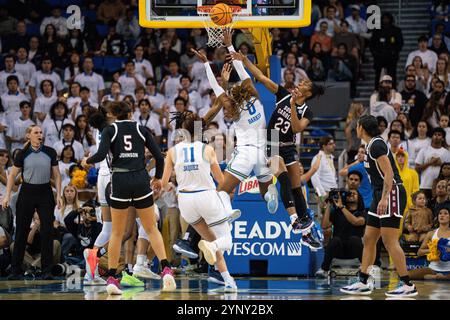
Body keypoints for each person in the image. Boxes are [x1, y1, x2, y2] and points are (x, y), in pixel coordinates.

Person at [231, 47, 325, 249]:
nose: (298, 86)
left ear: (307, 93)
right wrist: (244, 61)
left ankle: (306, 232)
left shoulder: (307, 111)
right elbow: (262, 78)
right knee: (281, 176)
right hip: (272, 141)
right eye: (299, 83)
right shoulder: (283, 94)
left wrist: (292, 105)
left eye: (302, 85)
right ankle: (294, 220)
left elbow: (297, 128)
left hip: (289, 145)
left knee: (296, 188)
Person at [82, 101, 176, 295]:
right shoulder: (141, 129)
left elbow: (100, 155)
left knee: (116, 232)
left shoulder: (110, 130)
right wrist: (158, 178)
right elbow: (159, 157)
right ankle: (166, 269)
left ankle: (112, 278)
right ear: (131, 113)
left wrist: (86, 161)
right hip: (140, 178)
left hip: (119, 180)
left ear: (114, 113)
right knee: (151, 227)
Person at [340, 115, 418, 297]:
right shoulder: (369, 146)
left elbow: (389, 173)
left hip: (391, 192)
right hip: (380, 193)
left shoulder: (377, 145)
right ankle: (363, 280)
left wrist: (384, 198)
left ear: (361, 128)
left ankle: (407, 284)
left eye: (357, 125)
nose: (355, 128)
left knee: (389, 240)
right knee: (369, 238)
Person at [161, 111, 237, 291]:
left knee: (211, 240)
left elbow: (164, 183)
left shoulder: (172, 151)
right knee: (226, 239)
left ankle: (228, 281)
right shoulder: (207, 149)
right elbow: (221, 181)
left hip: (185, 202)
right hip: (205, 197)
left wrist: (171, 185)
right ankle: (225, 217)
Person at [2, 124, 62, 280]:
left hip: (45, 193)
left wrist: (59, 195)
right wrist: (7, 195)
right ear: (29, 135)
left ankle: (46, 270)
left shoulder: (50, 152)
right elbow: (12, 176)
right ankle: (15, 270)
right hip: (27, 192)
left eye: (41, 132)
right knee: (21, 231)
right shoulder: (22, 154)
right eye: (36, 132)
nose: (39, 134)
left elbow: (57, 175)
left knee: (47, 232)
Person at [316, 189, 366, 278]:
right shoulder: (337, 212)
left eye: (354, 193)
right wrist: (328, 206)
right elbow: (324, 226)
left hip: (354, 250)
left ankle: (365, 269)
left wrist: (342, 207)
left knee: (354, 240)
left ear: (359, 198)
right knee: (335, 240)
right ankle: (324, 269)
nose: (351, 195)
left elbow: (356, 222)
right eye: (349, 194)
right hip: (338, 250)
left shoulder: (362, 213)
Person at [408, 207, 450, 280]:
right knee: (407, 275)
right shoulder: (431, 233)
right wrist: (433, 249)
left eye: (445, 213)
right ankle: (439, 277)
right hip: (433, 269)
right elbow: (419, 252)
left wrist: (447, 250)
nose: (442, 215)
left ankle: (440, 277)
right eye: (440, 213)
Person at [369, 13, 403, 88]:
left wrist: (395, 52)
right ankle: (377, 89)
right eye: (384, 18)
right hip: (379, 56)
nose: (385, 20)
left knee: (392, 74)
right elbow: (372, 44)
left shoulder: (396, 30)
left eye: (387, 18)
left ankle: (393, 89)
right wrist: (374, 53)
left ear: (390, 19)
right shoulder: (377, 31)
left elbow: (400, 43)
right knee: (378, 75)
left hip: (391, 57)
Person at [415, 128, 450, 200]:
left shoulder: (446, 152)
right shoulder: (424, 150)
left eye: (439, 135)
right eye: (435, 134)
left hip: (442, 187)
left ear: (443, 138)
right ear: (432, 137)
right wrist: (430, 163)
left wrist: (441, 164)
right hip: (425, 185)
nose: (436, 136)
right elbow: (417, 168)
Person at [339, 146, 373, 210]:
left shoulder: (358, 167)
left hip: (362, 202)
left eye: (362, 152)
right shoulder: (371, 165)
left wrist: (355, 162)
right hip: (371, 201)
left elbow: (341, 172)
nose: (359, 154)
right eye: (358, 152)